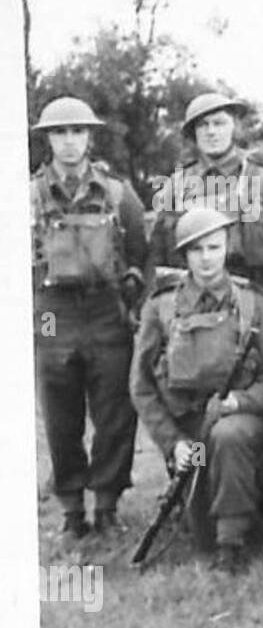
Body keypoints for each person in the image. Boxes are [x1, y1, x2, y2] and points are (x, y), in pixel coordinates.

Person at [129, 207, 263, 573]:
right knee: (200, 532)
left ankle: (232, 543)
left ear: (227, 247)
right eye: (197, 250)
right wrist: (173, 443)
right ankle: (233, 507)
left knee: (228, 439)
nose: (207, 258)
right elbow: (142, 386)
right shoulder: (161, 307)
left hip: (240, 423)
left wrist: (239, 402)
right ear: (184, 256)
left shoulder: (253, 303)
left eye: (214, 247)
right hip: (189, 431)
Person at [31, 97, 149, 537]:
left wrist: (133, 296)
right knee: (60, 416)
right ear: (47, 140)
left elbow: (140, 250)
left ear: (89, 137)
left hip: (106, 310)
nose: (68, 142)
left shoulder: (117, 192)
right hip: (52, 315)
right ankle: (71, 511)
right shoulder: (26, 195)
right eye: (59, 133)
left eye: (77, 132)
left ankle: (107, 504)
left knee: (115, 412)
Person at [152, 92, 263, 296]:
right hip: (192, 302)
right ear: (193, 133)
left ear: (234, 127)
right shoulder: (176, 186)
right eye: (203, 125)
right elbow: (156, 256)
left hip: (254, 298)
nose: (211, 132)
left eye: (219, 123)